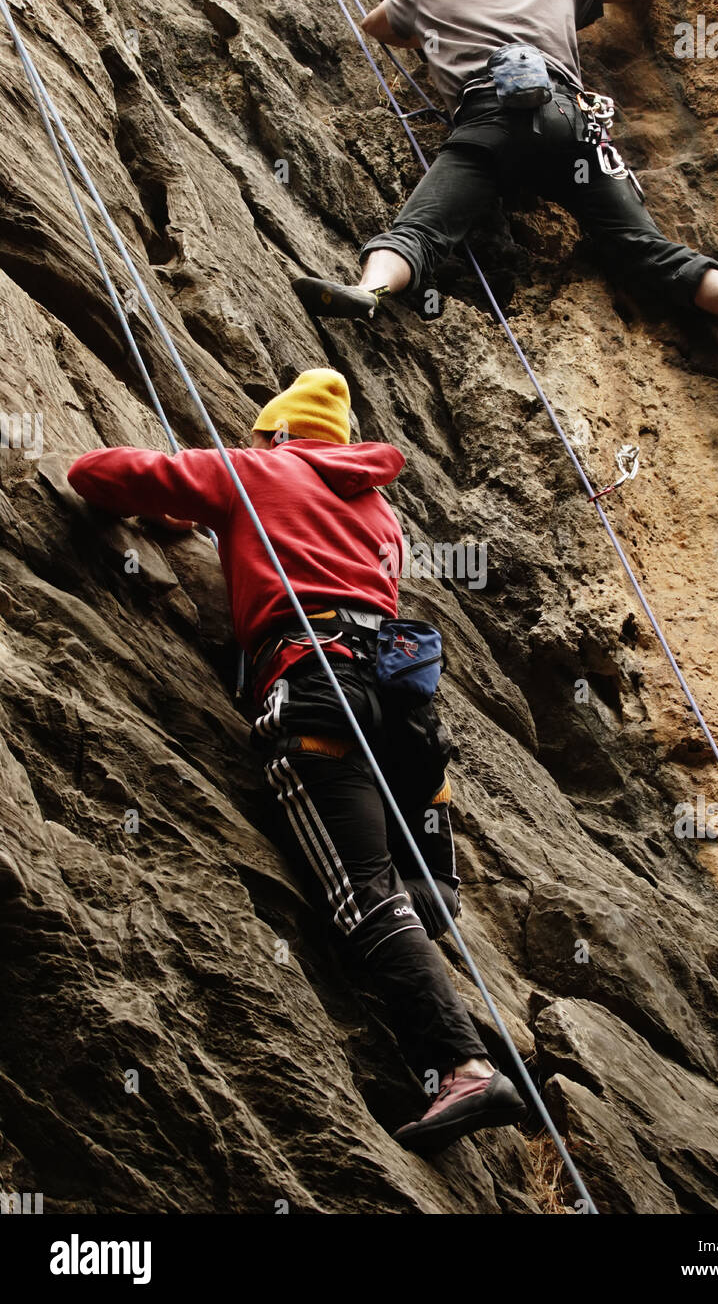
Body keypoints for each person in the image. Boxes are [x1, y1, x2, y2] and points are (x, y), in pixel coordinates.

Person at [66, 368, 526, 1155]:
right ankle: (425, 912)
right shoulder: (379, 511)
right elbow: (299, 543)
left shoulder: (258, 470)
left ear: (278, 434)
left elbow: (94, 475)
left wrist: (181, 506)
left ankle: (461, 1065)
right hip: (406, 713)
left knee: (363, 898)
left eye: (259, 436)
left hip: (317, 694)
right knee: (415, 888)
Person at [293, 0, 718, 421]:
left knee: (421, 231)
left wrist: (436, 34)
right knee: (647, 249)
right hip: (572, 125)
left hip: (490, 123)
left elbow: (376, 23)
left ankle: (371, 291)